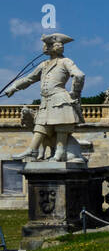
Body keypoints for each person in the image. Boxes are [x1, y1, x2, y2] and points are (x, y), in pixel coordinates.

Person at [4, 33, 85, 162]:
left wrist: (75, 93)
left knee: (61, 126)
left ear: (54, 47)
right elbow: (29, 78)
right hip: (46, 101)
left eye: (47, 45)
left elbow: (79, 75)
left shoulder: (66, 61)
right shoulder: (44, 64)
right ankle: (32, 150)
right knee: (40, 125)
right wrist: (13, 88)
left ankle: (60, 153)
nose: (44, 48)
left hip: (60, 98)